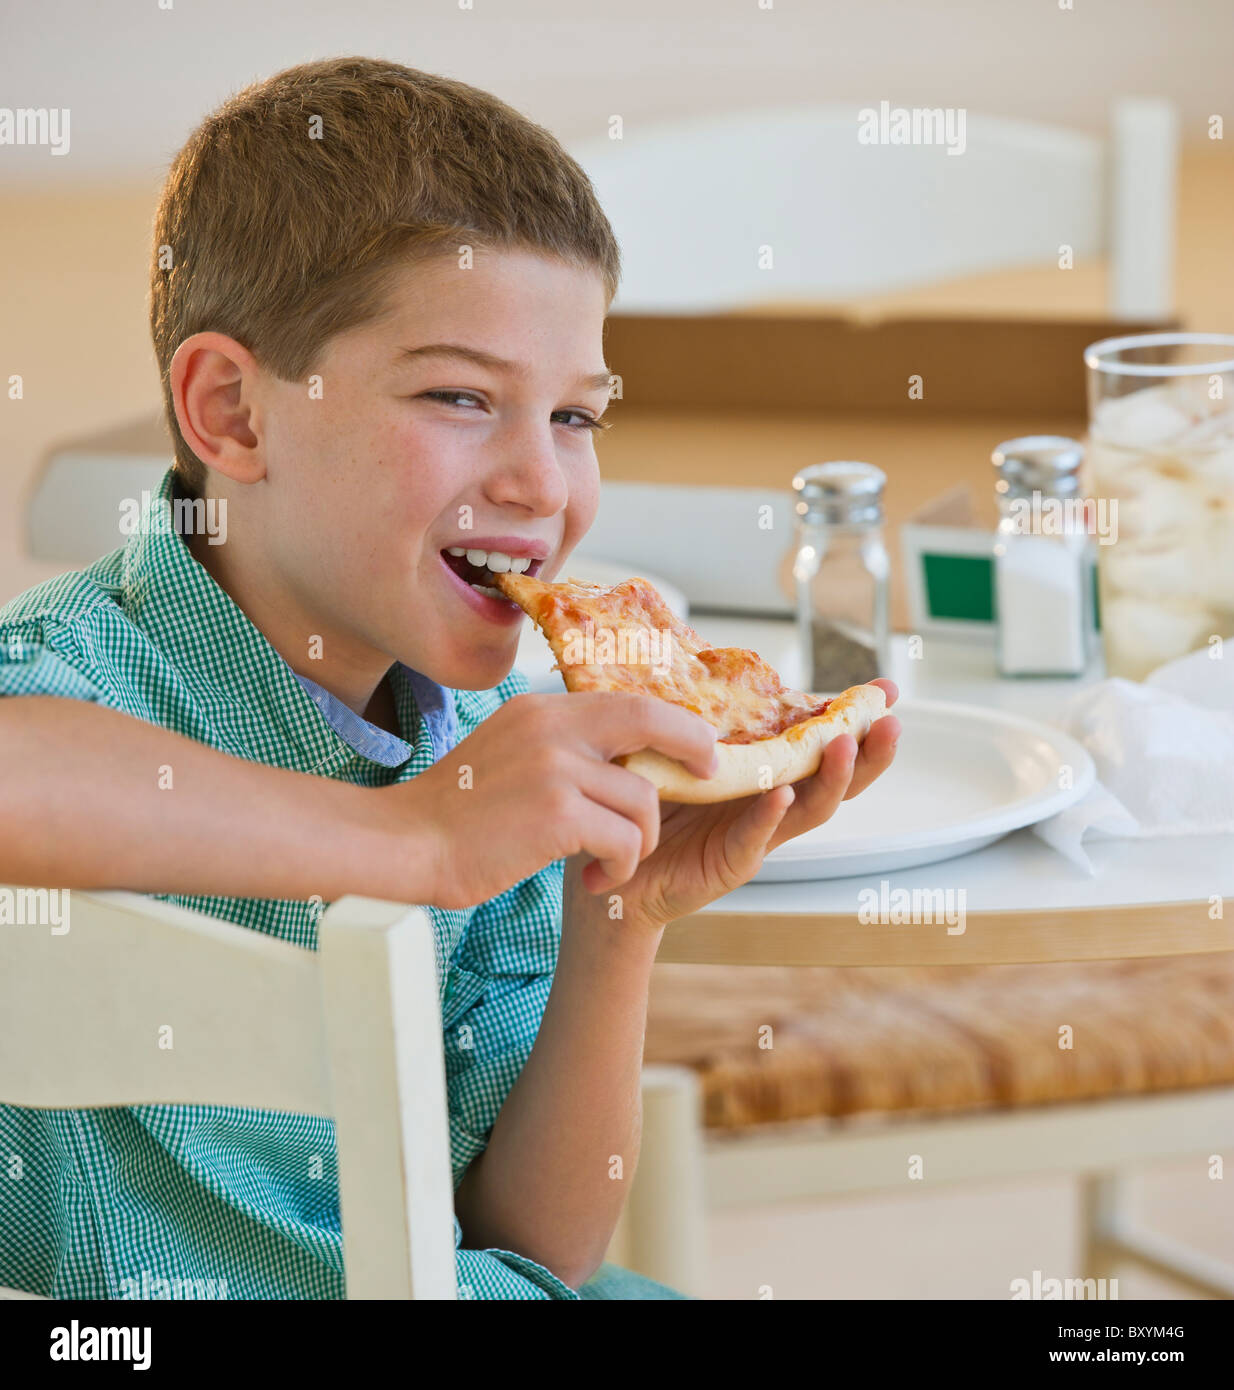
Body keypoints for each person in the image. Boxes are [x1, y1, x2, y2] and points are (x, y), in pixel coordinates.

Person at [0, 57, 900, 1300]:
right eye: (462, 396)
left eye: (577, 418)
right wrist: (410, 838)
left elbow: (538, 1250)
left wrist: (619, 914)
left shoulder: (496, 744)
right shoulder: (73, 677)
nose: (542, 481)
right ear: (234, 414)